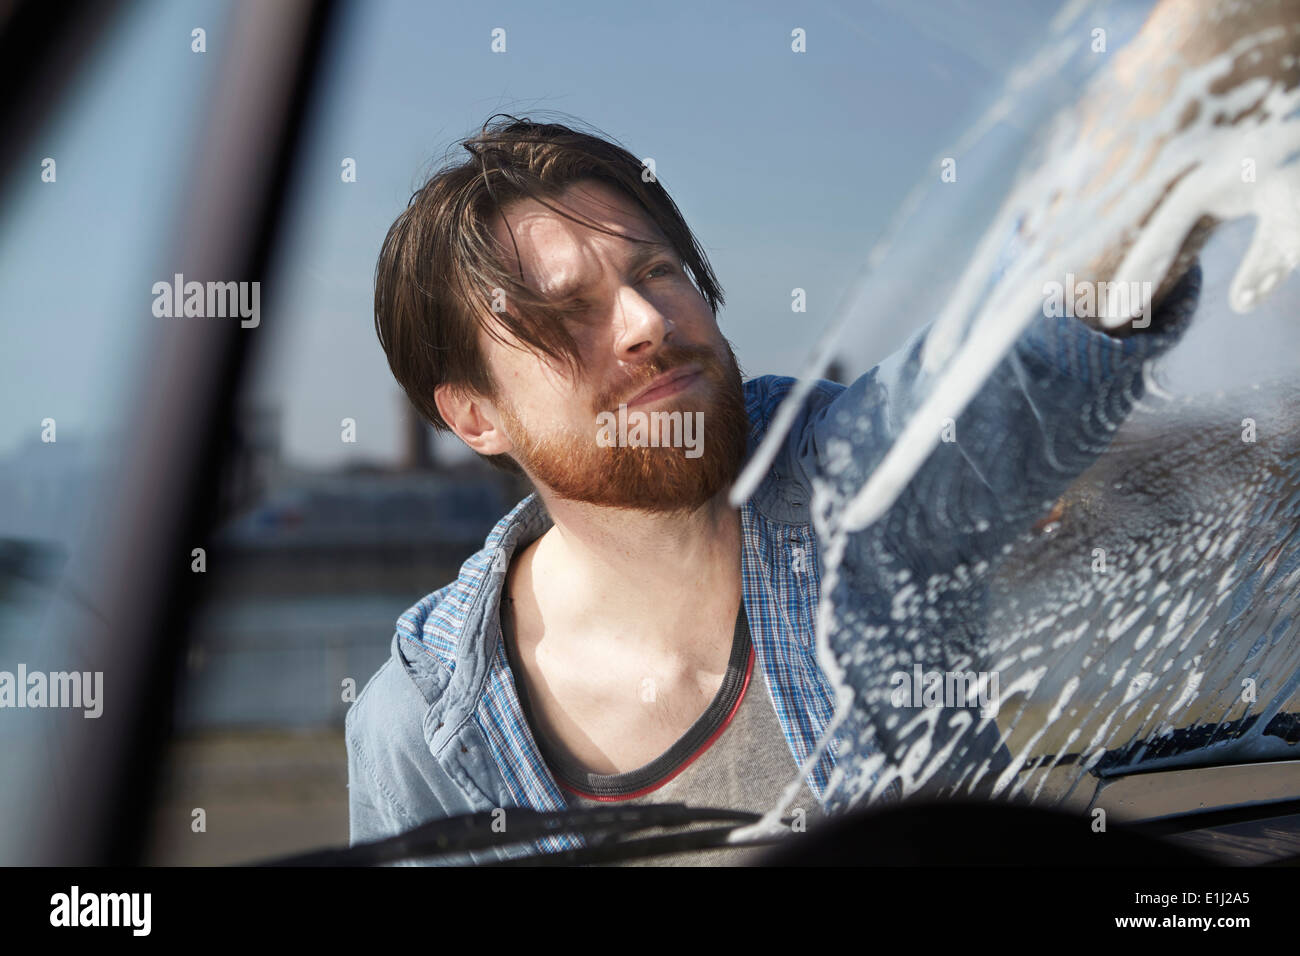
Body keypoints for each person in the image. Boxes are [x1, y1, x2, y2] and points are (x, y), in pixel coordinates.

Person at [346, 111, 1203, 865]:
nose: (648, 323)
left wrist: (1174, 120)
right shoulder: (418, 727)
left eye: (655, 272)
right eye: (569, 313)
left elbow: (1029, 356)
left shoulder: (852, 496)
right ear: (475, 418)